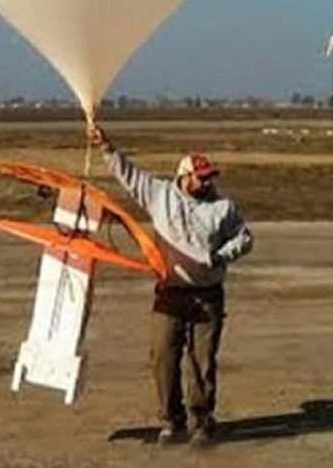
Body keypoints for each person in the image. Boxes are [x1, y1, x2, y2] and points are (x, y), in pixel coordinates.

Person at [87, 123, 254, 446]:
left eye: (210, 176)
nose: (207, 181)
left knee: (202, 361)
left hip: (207, 295)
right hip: (170, 293)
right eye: (201, 176)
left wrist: (220, 256)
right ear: (185, 175)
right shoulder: (158, 194)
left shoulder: (223, 208)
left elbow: (245, 237)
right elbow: (127, 173)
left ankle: (202, 421)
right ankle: (171, 421)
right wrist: (106, 145)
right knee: (162, 356)